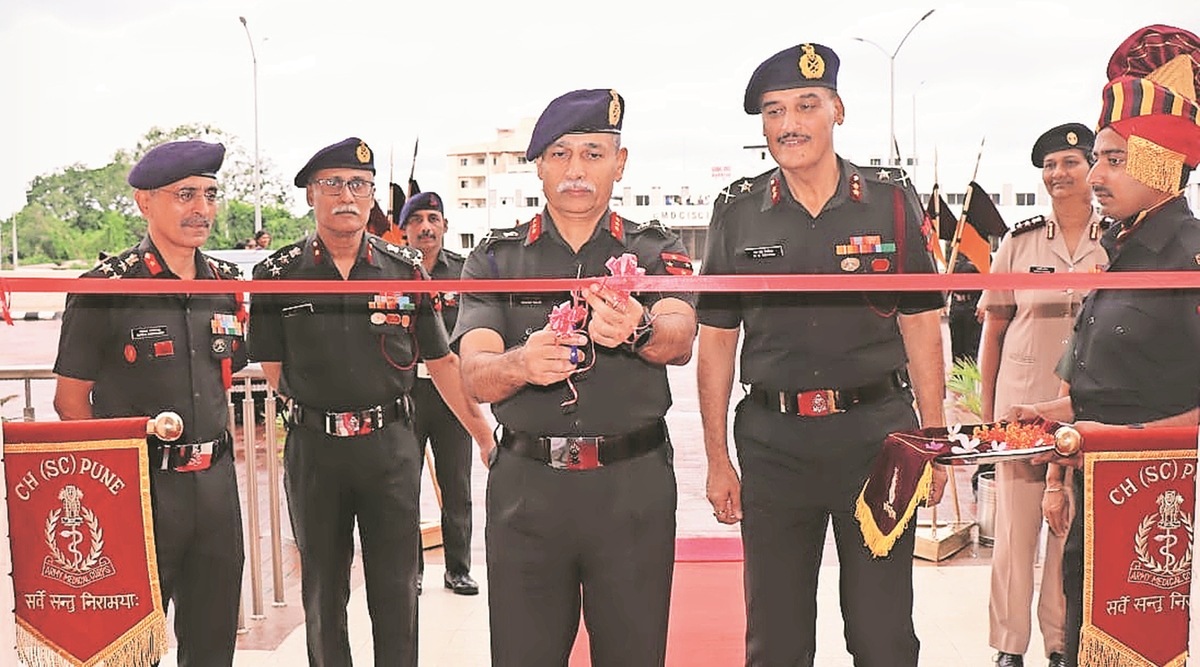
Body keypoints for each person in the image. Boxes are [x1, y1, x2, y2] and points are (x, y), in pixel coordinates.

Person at [696, 43, 948, 667]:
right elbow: (718, 340)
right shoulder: (737, 211)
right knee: (776, 639)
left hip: (877, 439)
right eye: (774, 111)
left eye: (806, 105)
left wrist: (935, 438)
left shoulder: (890, 201)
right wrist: (717, 459)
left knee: (883, 634)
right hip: (773, 445)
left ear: (838, 110)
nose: (790, 124)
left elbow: (921, 324)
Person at [454, 89, 698, 667]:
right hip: (528, 491)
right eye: (560, 154)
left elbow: (680, 335)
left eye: (593, 153)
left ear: (620, 162)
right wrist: (519, 364)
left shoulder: (655, 249)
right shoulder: (495, 259)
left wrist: (638, 328)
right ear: (539, 166)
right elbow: (476, 375)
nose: (576, 170)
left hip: (631, 488)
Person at [247, 137, 496, 667]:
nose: (347, 196)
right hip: (315, 451)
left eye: (359, 185)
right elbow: (274, 369)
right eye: (333, 184)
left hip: (389, 449)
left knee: (397, 587)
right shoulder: (277, 274)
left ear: (371, 196)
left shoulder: (404, 270)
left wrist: (482, 434)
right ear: (311, 194)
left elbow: (442, 362)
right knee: (322, 589)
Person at [1015, 25, 1200, 667]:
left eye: (1113, 160)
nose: (1093, 175)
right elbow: (1111, 387)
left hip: (1156, 501)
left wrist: (1117, 438)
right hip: (1098, 487)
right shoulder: (1121, 253)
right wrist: (1049, 420)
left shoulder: (1190, 259)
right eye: (1098, 159)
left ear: (1162, 161)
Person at [53, 140, 246, 667]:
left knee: (212, 645)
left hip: (215, 488)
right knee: (129, 649)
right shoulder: (106, 289)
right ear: (145, 202)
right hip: (138, 489)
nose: (201, 209)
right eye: (185, 195)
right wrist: (108, 488)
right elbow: (70, 401)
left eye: (209, 195)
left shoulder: (225, 285)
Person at [978, 123, 1107, 667]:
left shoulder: (1117, 241)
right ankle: (1009, 647)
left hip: (1088, 405)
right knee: (1014, 532)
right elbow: (994, 329)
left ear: (1092, 168)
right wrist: (987, 417)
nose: (1058, 174)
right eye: (1049, 166)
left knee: (1069, 527)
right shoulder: (1019, 242)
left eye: (1070, 163)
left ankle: (1059, 643)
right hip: (1021, 405)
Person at [398, 191, 479, 596]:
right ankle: (410, 570)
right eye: (416, 220)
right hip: (406, 393)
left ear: (445, 225)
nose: (425, 228)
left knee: (456, 485)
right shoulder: (393, 272)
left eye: (433, 219)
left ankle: (458, 569)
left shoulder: (463, 273)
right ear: (404, 230)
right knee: (403, 487)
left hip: (452, 394)